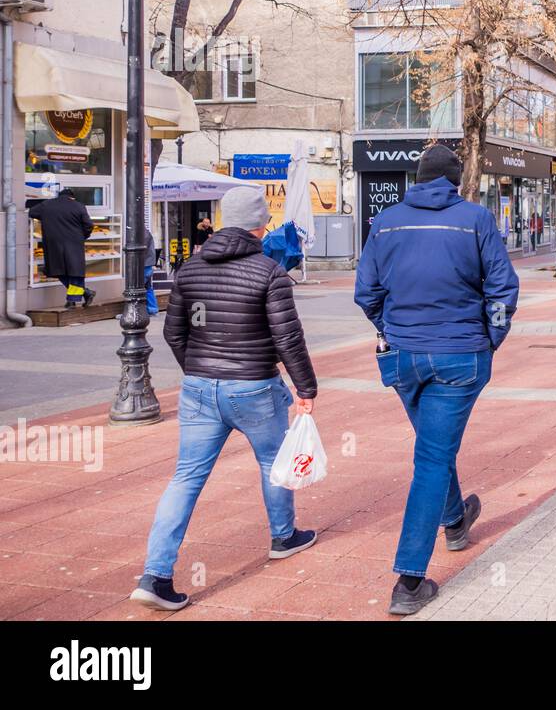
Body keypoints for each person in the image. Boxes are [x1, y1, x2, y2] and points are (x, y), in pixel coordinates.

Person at [131, 186, 318, 612]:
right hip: (254, 386)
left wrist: (198, 369)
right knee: (273, 461)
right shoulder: (269, 271)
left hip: (199, 388)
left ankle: (155, 575)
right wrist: (306, 388)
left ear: (219, 219)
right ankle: (283, 536)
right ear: (261, 224)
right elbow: (287, 336)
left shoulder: (191, 269)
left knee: (185, 478)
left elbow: (173, 332)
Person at [355, 144, 519, 615]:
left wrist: (390, 329)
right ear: (453, 180)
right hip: (460, 356)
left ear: (417, 178)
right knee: (431, 458)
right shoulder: (475, 219)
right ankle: (409, 581)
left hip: (404, 357)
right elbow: (502, 290)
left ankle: (455, 520)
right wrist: (488, 339)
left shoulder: (385, 222)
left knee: (432, 447)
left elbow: (366, 293)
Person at [28, 188, 95, 309]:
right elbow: (89, 225)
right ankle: (82, 294)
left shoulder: (47, 205)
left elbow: (32, 212)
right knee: (75, 272)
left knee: (58, 270)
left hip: (53, 244)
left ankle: (73, 299)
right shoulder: (78, 206)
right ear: (72, 197)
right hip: (74, 243)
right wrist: (83, 236)